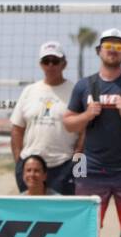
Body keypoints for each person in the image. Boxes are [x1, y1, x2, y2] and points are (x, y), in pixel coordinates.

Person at [64, 28, 121, 237]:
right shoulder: (84, 85)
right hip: (88, 166)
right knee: (87, 225)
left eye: (119, 47)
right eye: (108, 46)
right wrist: (87, 114)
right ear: (98, 51)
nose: (113, 51)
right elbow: (68, 123)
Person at [10, 41, 78, 194]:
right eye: (46, 61)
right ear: (41, 64)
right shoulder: (29, 91)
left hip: (63, 165)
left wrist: (77, 164)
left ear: (64, 64)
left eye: (55, 61)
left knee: (62, 214)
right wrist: (19, 163)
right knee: (29, 214)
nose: (51, 66)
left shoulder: (76, 91)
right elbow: (17, 129)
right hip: (31, 167)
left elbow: (85, 132)